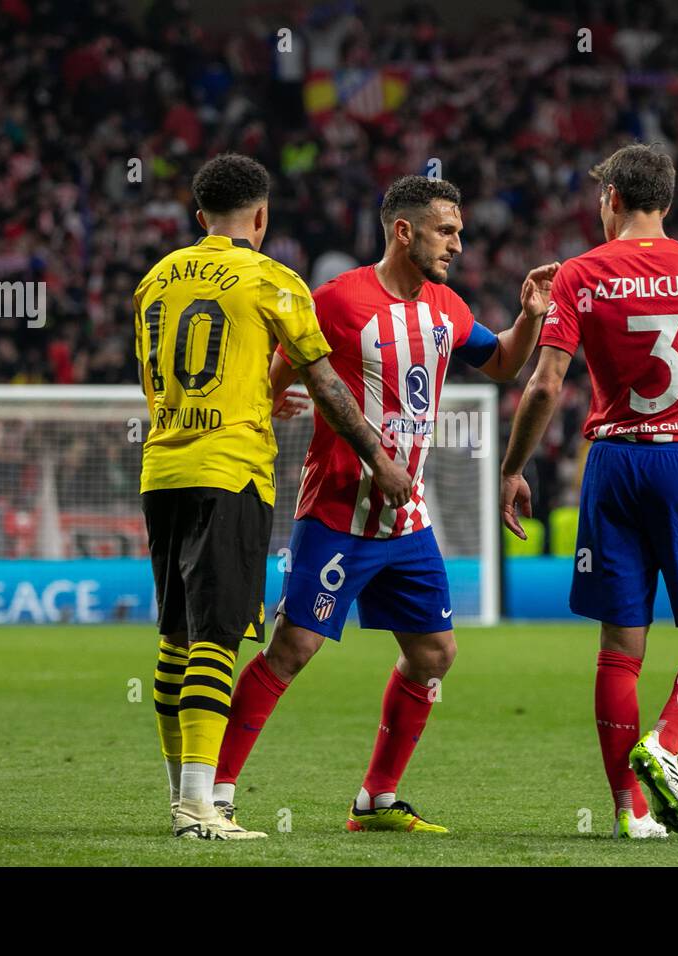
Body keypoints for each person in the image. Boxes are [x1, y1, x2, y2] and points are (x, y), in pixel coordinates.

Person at [211, 175, 558, 833]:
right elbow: (278, 369)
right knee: (292, 649)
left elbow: (505, 363)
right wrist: (277, 396)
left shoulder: (447, 308)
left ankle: (374, 801)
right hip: (339, 513)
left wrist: (531, 315)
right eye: (446, 231)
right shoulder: (339, 302)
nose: (458, 242)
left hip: (407, 521)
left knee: (434, 654)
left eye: (458, 231)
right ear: (404, 231)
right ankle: (217, 791)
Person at [134, 154, 411, 841]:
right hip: (231, 473)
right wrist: (378, 456)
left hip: (163, 470)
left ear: (199, 217)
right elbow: (327, 383)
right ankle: (200, 810)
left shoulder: (155, 279)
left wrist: (255, 392)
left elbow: (193, 371)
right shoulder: (274, 279)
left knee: (174, 641)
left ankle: (182, 799)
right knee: (217, 639)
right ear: (261, 217)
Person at [500, 144, 678, 839]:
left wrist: (511, 470)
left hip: (611, 461)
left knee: (620, 645)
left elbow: (546, 383)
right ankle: (665, 745)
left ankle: (630, 813)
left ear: (610, 198)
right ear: (664, 201)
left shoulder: (580, 273)